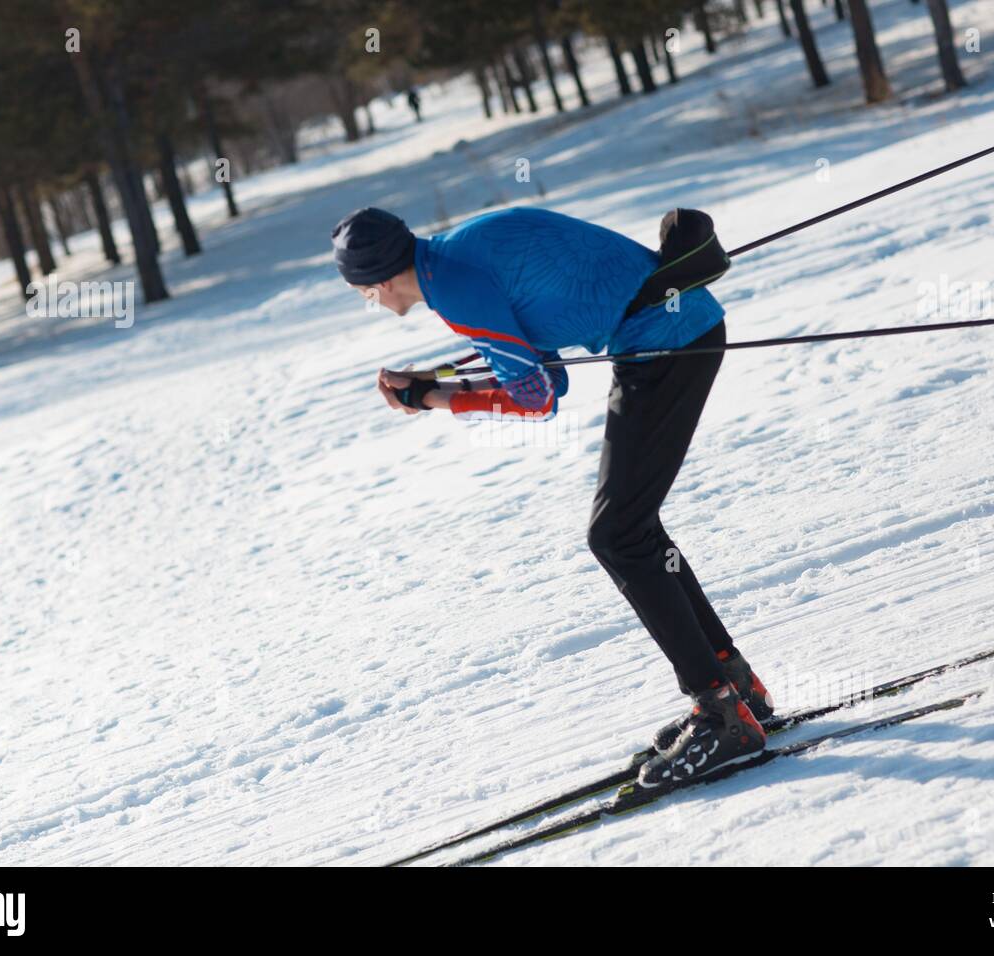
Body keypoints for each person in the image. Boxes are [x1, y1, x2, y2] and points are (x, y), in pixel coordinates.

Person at [330, 206, 772, 787]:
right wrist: (438, 384)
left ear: (381, 280)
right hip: (667, 330)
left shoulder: (454, 290)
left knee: (618, 535)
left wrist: (435, 400)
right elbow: (545, 374)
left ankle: (722, 716)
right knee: (631, 529)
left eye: (365, 293)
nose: (372, 303)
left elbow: (537, 397)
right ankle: (734, 690)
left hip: (666, 340)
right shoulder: (452, 256)